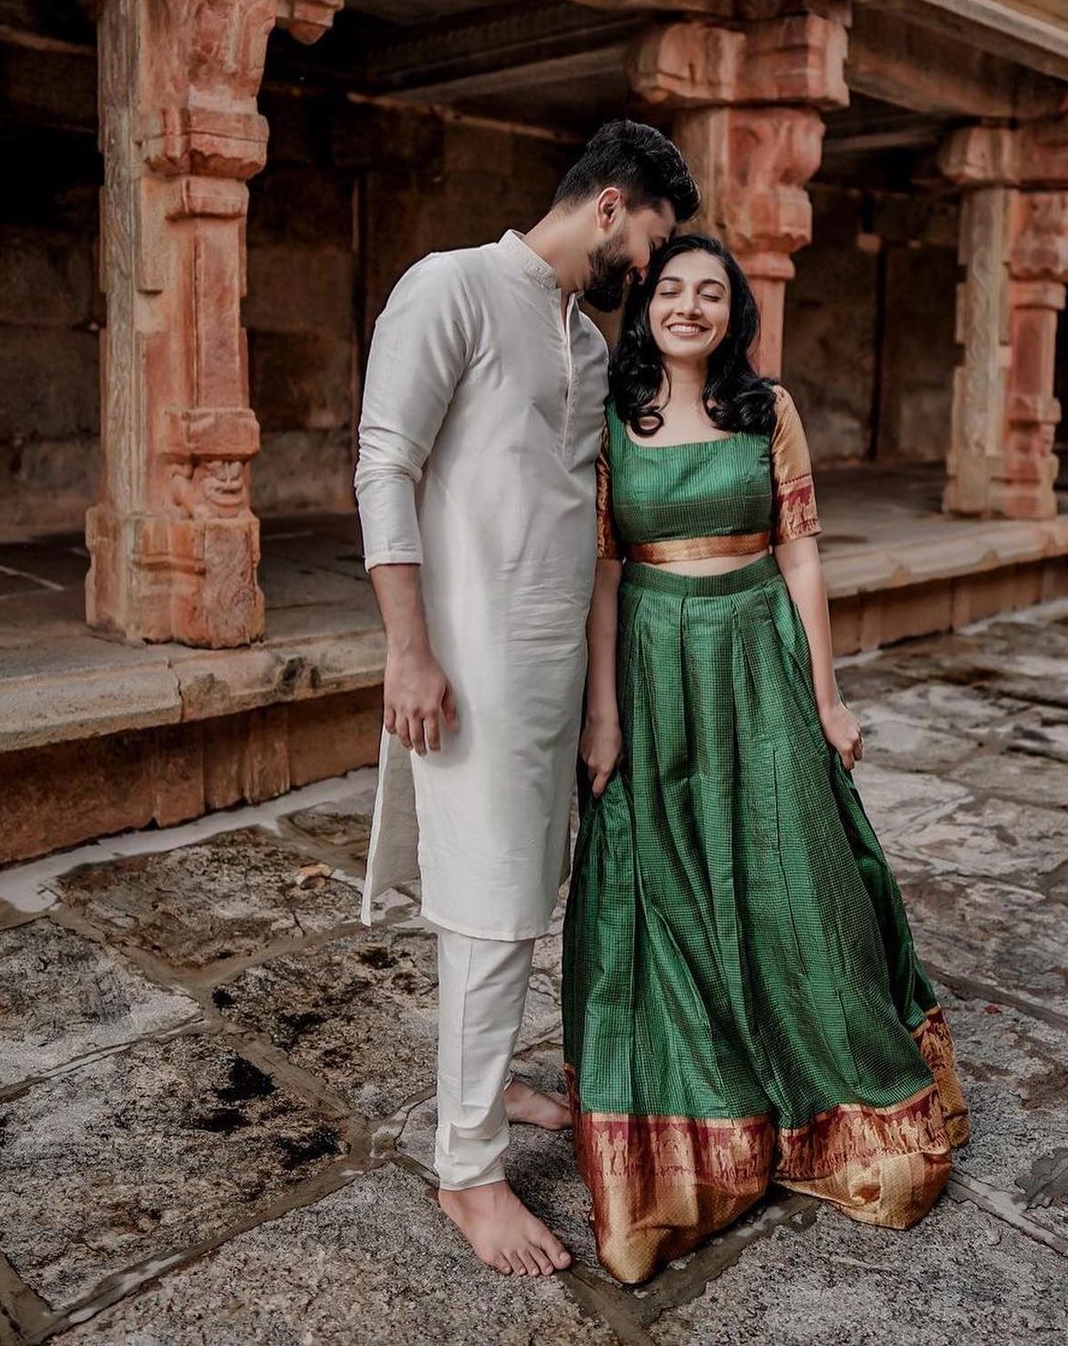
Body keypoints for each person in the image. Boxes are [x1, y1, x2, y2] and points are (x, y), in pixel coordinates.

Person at [561, 233, 971, 1286]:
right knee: (670, 889)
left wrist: (827, 697)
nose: (687, 307)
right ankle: (708, 1126)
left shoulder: (766, 410)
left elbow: (800, 553)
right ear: (645, 305)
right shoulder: (611, 416)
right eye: (670, 290)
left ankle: (831, 1101)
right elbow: (604, 574)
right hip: (654, 663)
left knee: (795, 876)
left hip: (755, 658)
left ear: (732, 314)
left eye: (709, 294)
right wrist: (601, 715)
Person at [353, 120, 699, 1279]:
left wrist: (602, 704)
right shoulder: (448, 288)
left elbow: (593, 541)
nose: (647, 271)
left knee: (521, 895)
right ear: (609, 206)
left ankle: (490, 1074)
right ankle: (468, 1174)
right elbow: (382, 465)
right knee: (493, 910)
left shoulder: (587, 349)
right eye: (649, 241)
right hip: (470, 664)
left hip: (556, 673)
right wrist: (409, 651)